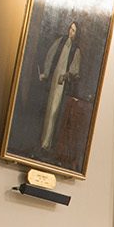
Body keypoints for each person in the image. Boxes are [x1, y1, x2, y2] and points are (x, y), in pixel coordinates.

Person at [37, 21, 83, 154]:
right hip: (53, 80)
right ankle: (41, 141)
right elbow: (50, 56)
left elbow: (75, 71)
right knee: (47, 110)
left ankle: (47, 143)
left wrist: (66, 76)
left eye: (74, 30)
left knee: (54, 112)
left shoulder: (76, 50)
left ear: (77, 33)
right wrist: (46, 73)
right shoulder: (61, 41)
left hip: (61, 84)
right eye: (70, 28)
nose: (70, 32)